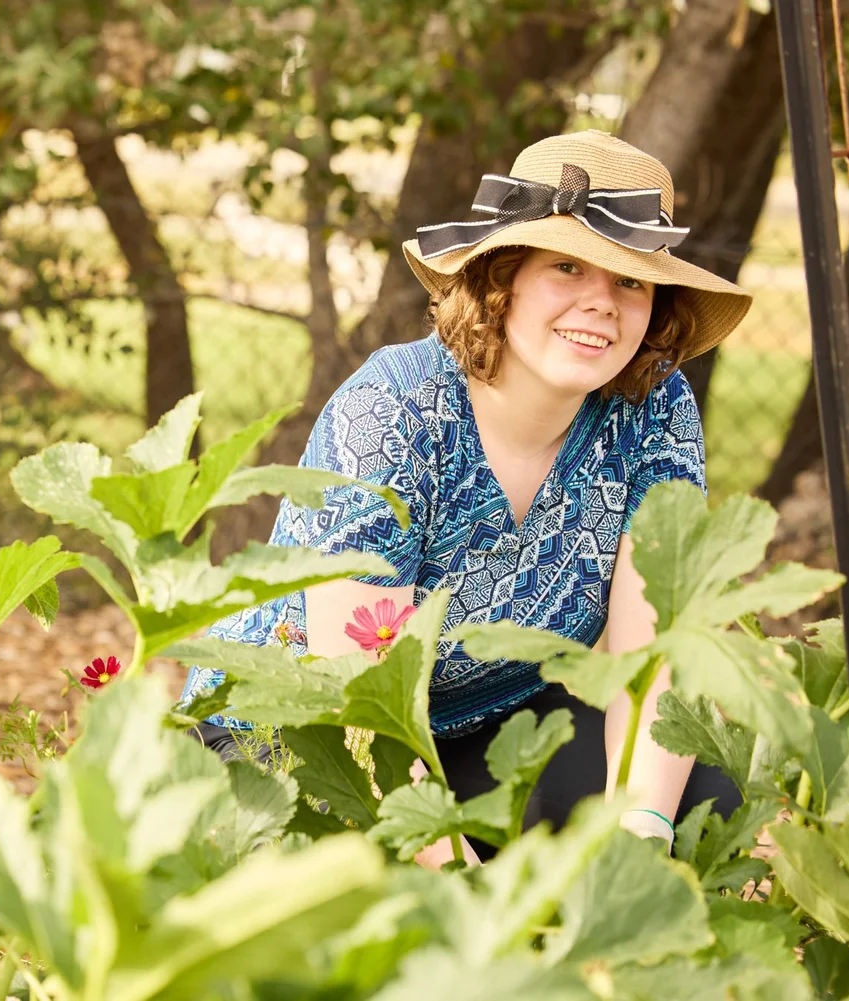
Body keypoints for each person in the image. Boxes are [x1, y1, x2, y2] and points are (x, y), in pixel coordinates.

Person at [183, 130, 751, 866]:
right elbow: (363, 702)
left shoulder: (655, 406)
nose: (601, 303)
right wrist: (471, 900)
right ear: (502, 277)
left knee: (699, 792)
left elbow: (654, 646)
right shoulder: (392, 410)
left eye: (630, 282)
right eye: (568, 266)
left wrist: (638, 836)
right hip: (303, 730)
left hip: (486, 719)